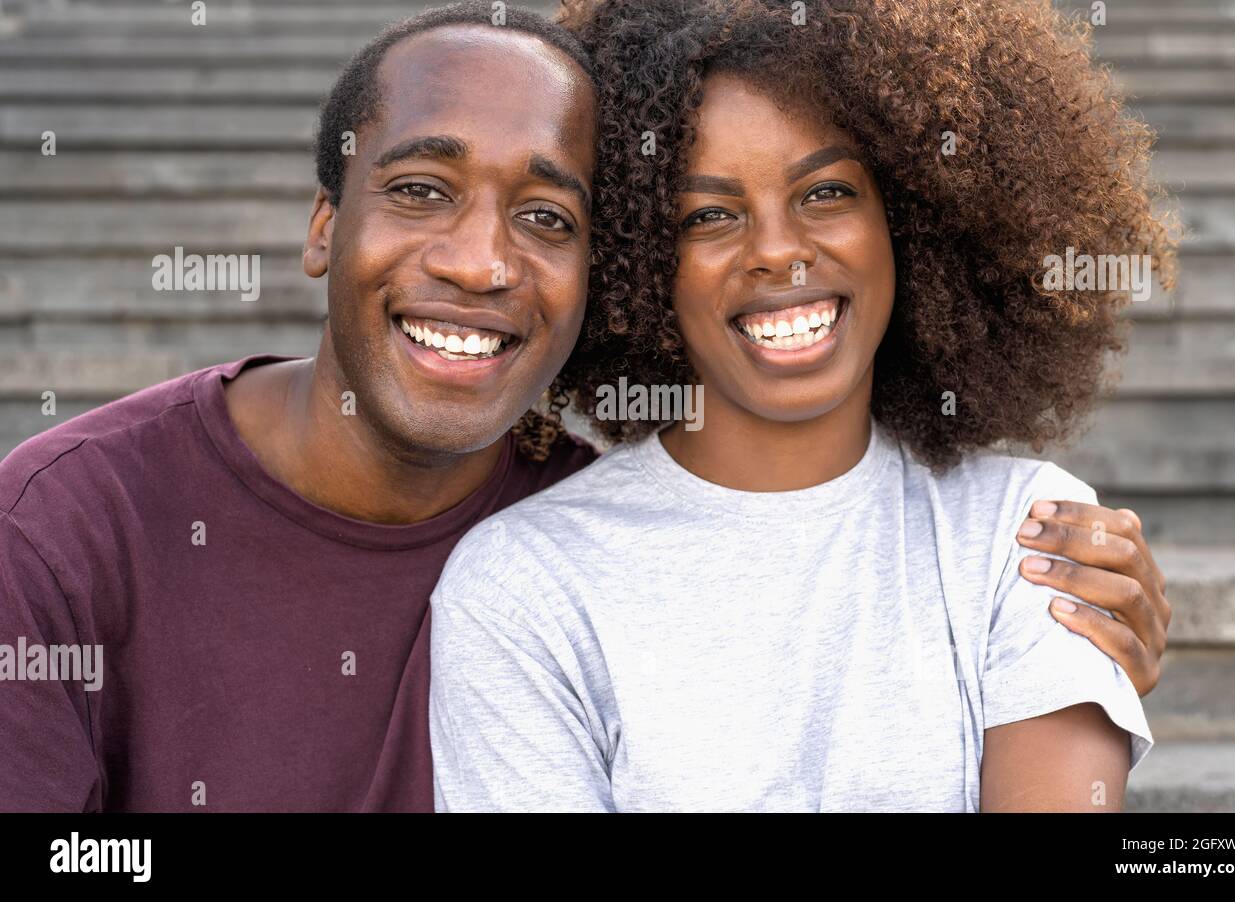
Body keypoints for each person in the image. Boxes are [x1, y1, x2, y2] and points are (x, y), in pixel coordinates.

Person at [428, 0, 1178, 812]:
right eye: (707, 215)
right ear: (638, 261)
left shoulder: (1028, 533)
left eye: (825, 193)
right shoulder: (522, 584)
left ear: (912, 221)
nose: (779, 251)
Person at [0, 3, 598, 811]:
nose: (481, 264)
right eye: (420, 190)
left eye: (544, 217)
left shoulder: (609, 544)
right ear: (324, 227)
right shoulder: (59, 528)